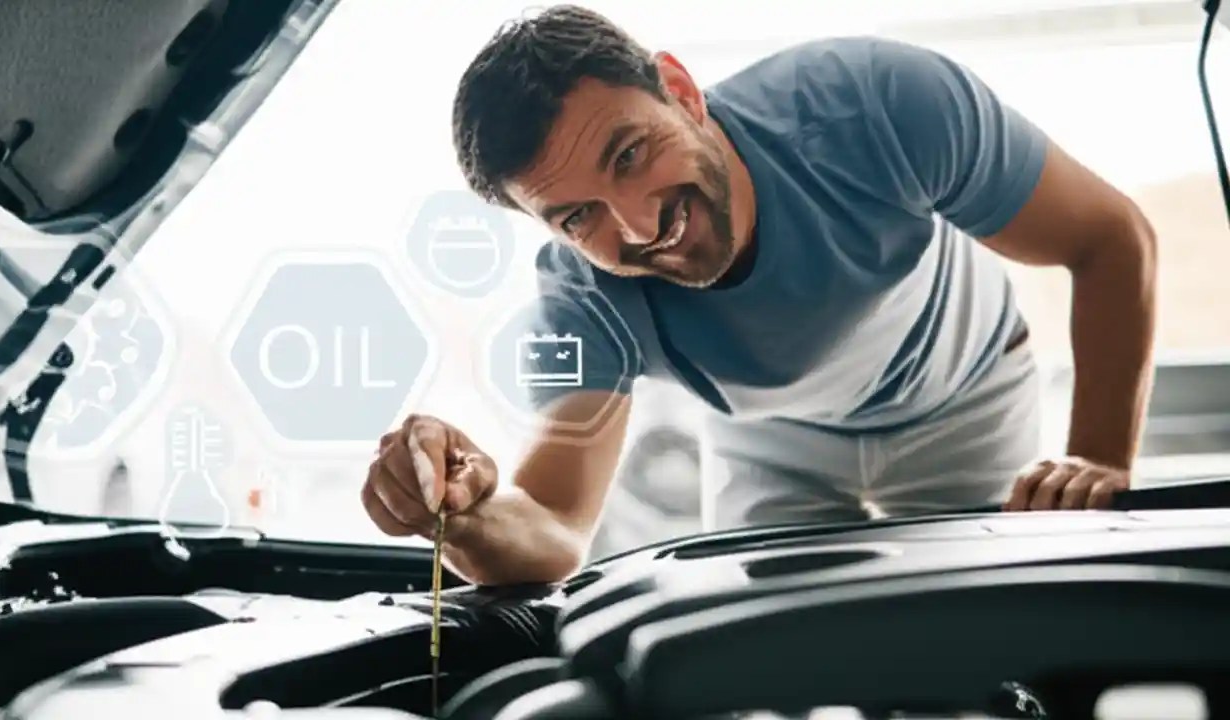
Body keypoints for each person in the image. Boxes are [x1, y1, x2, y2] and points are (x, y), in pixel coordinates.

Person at [361, 6, 1157, 585]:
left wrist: (1095, 459)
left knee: (996, 647)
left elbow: (1111, 240)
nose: (638, 227)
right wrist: (461, 512)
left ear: (680, 89)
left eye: (631, 154)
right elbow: (556, 529)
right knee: (757, 669)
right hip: (772, 436)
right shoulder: (585, 295)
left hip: (964, 394)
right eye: (577, 216)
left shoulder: (881, 105)